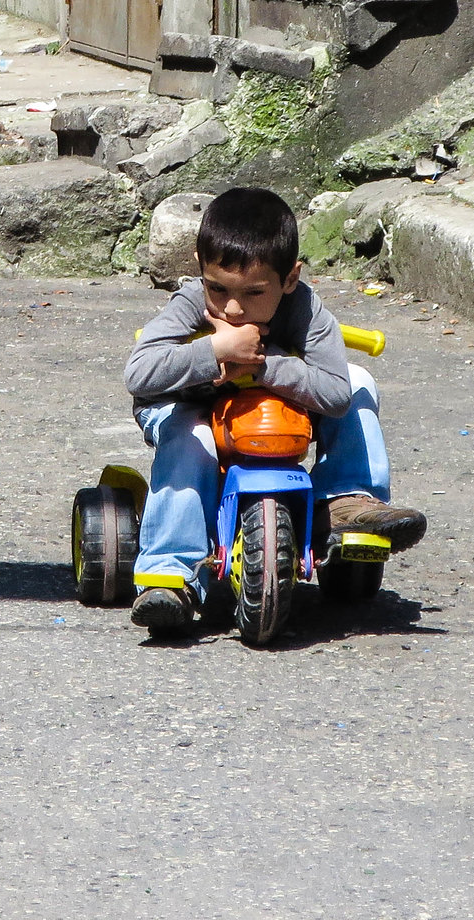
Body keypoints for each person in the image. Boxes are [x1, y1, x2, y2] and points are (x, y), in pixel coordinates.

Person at [123, 186, 427, 634]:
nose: (232, 305)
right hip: (187, 407)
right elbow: (140, 373)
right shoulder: (190, 302)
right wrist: (214, 350)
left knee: (361, 381)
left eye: (253, 292)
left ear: (289, 278)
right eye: (218, 287)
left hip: (269, 406)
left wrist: (264, 366)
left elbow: (337, 393)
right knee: (194, 438)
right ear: (199, 267)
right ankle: (171, 572)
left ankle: (346, 497)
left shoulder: (305, 309)